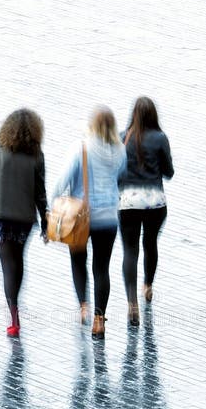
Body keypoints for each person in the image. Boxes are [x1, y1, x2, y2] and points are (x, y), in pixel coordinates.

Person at [51, 107, 126, 340]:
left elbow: (62, 180)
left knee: (78, 261)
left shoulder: (80, 147)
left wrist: (51, 207)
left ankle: (83, 305)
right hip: (109, 218)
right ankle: (99, 320)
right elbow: (120, 177)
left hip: (80, 217)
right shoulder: (120, 151)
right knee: (102, 269)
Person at [0, 109, 47, 338]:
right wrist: (46, 224)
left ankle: (13, 318)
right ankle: (15, 310)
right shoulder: (37, 156)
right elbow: (40, 194)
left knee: (7, 265)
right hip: (24, 219)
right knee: (17, 262)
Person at [118, 97, 174, 326]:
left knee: (130, 251)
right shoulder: (160, 138)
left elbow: (117, 173)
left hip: (128, 203)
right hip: (155, 204)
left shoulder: (122, 137)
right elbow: (169, 173)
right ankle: (148, 286)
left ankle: (132, 303)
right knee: (150, 244)